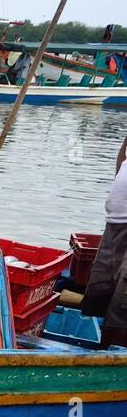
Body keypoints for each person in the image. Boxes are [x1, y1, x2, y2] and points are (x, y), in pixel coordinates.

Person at [85, 137, 127, 345]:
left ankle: (116, 366)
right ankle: (104, 356)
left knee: (119, 318)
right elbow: (121, 167)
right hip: (113, 227)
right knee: (99, 301)